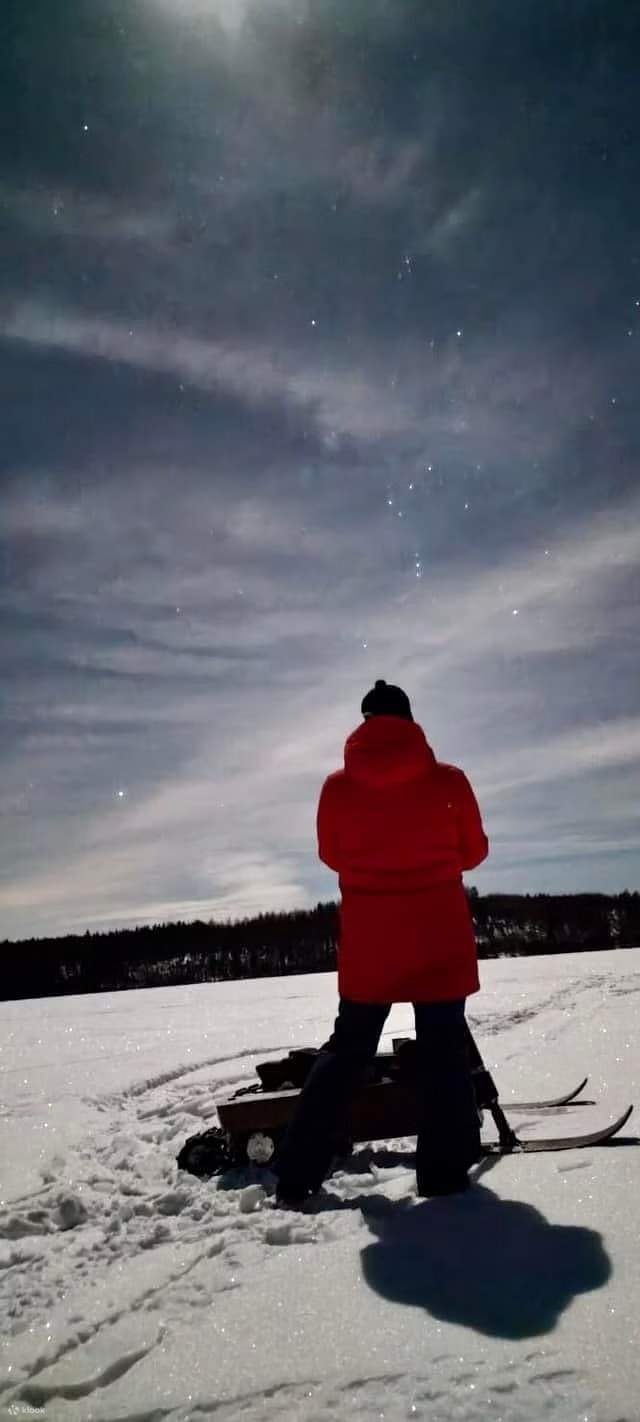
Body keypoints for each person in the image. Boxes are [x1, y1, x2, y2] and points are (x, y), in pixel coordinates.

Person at [273, 678, 489, 1207]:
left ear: (365, 723)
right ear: (410, 721)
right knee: (443, 1052)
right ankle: (442, 1176)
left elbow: (331, 854)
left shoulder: (337, 788)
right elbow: (475, 851)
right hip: (439, 938)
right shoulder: (449, 781)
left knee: (347, 1051)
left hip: (372, 945)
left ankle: (298, 1173)